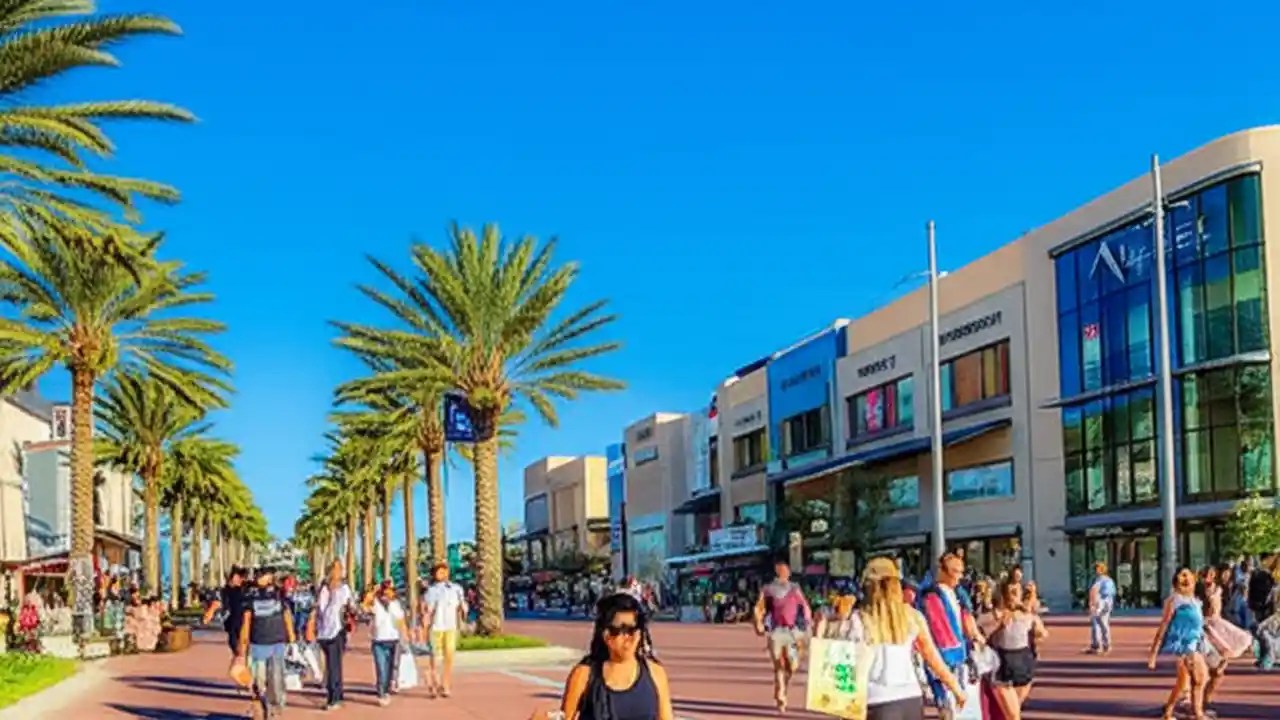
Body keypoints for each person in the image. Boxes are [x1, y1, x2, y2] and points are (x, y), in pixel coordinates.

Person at [836, 557, 966, 720]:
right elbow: (933, 658)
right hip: (911, 698)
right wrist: (956, 688)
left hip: (875, 700)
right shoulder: (912, 616)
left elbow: (845, 667)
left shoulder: (858, 620)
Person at [532, 592, 672, 720]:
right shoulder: (584, 675)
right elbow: (565, 717)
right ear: (605, 634)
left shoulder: (655, 673)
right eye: (619, 630)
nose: (627, 638)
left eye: (632, 630)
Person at [918, 553, 984, 720]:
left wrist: (976, 637)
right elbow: (938, 632)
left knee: (965, 710)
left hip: (960, 658)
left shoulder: (959, 593)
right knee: (950, 710)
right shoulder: (931, 595)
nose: (959, 577)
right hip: (944, 659)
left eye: (961, 572)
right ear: (943, 571)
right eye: (955, 572)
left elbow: (967, 620)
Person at [752, 558, 812, 714]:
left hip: (793, 632)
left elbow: (804, 606)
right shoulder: (768, 590)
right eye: (780, 571)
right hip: (776, 631)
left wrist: (807, 621)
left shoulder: (794, 588)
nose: (783, 574)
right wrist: (758, 623)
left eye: (785, 571)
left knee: (792, 665)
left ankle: (783, 684)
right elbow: (758, 608)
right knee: (778, 664)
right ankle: (781, 694)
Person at [1148, 568, 1208, 720]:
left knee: (1190, 681)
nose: (1185, 579)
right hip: (1182, 646)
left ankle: (1173, 712)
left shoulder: (1196, 601)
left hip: (1196, 644)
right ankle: (1196, 713)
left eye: (1188, 575)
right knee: (1195, 679)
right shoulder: (1174, 600)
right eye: (1182, 575)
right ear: (1176, 581)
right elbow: (1164, 625)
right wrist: (1153, 654)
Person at [237, 566, 296, 720]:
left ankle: (274, 710)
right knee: (258, 682)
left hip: (277, 643)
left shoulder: (279, 594)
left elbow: (286, 614)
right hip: (258, 645)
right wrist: (242, 647)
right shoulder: (250, 596)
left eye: (267, 575)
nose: (265, 578)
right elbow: (246, 621)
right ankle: (259, 709)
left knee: (276, 681)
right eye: (262, 576)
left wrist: (292, 637)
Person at [985, 581, 1047, 720]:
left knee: (1013, 710)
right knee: (1013, 715)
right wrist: (998, 625)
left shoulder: (1028, 616)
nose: (1013, 597)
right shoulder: (997, 615)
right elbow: (981, 634)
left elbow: (1042, 634)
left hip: (1023, 664)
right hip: (1003, 665)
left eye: (1016, 593)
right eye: (1010, 593)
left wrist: (1035, 628)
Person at [1198, 564, 1253, 710]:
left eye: (1211, 574)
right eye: (1206, 575)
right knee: (1209, 672)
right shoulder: (1198, 592)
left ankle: (1205, 701)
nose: (1209, 577)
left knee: (1218, 671)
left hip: (1218, 628)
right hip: (1205, 631)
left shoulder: (1219, 588)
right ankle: (1198, 703)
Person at [423, 561, 468, 698]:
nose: (441, 574)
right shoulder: (431, 590)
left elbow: (461, 606)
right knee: (434, 657)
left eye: (443, 571)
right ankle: (433, 682)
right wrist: (424, 627)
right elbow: (428, 611)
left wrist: (464, 615)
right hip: (436, 627)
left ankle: (446, 684)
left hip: (451, 627)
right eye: (438, 572)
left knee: (449, 656)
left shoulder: (457, 589)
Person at [363, 579, 412, 707]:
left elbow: (401, 620)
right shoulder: (375, 604)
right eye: (385, 591)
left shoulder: (396, 604)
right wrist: (373, 592)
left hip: (393, 640)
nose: (388, 594)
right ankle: (381, 693)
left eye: (390, 591)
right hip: (378, 641)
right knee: (381, 668)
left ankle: (388, 686)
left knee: (391, 667)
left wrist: (405, 634)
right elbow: (365, 606)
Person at [315, 560, 356, 711]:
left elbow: (350, 606)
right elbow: (320, 608)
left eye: (340, 568)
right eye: (336, 569)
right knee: (331, 664)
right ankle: (335, 694)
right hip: (325, 631)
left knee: (335, 664)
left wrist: (349, 614)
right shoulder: (324, 588)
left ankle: (335, 697)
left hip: (339, 629)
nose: (338, 572)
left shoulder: (345, 588)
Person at [204, 566, 249, 657]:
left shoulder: (245, 590)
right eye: (240, 577)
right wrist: (209, 614)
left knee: (242, 655)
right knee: (238, 653)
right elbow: (216, 603)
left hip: (245, 626)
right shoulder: (223, 592)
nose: (242, 580)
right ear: (234, 577)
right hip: (232, 627)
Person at [1085, 561, 1116, 655]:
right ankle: (1105, 644)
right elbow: (1113, 592)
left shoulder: (1099, 580)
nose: (1095, 571)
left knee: (1097, 623)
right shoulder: (1109, 580)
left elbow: (1094, 591)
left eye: (1096, 569)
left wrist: (1092, 604)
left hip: (1100, 602)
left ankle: (1098, 645)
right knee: (1104, 623)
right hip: (1108, 602)